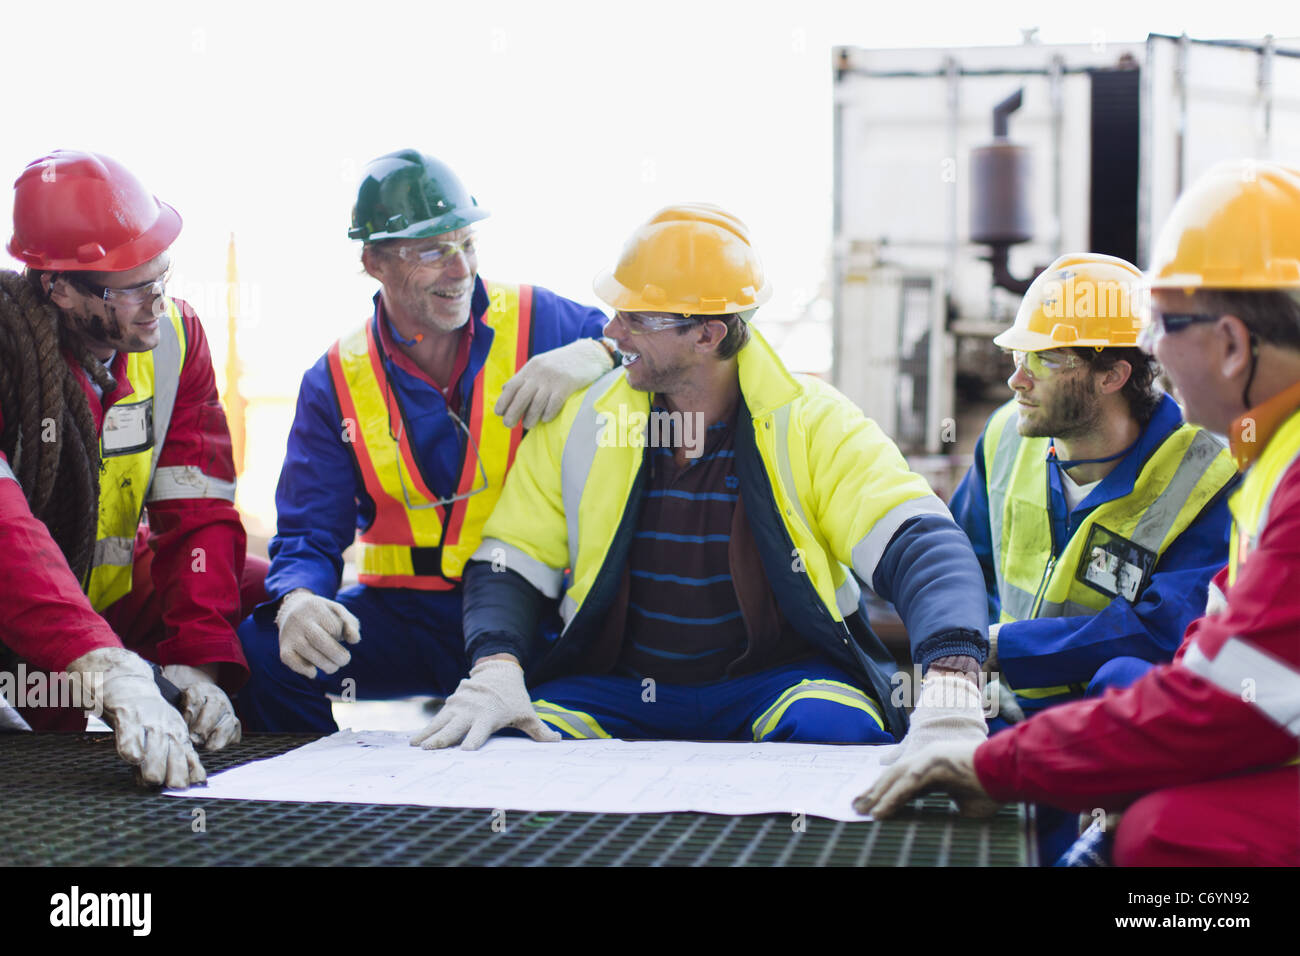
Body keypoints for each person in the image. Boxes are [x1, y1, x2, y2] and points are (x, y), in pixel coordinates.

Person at [413, 202, 991, 752]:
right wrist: (496, 669)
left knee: (841, 734)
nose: (612, 332)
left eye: (636, 317)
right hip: (618, 688)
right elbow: (510, 559)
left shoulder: (813, 421)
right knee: (512, 745)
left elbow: (922, 545)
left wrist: (950, 683)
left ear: (708, 334)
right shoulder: (583, 420)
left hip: (779, 684)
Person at [855, 160, 1300, 867]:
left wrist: (1006, 762)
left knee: (1164, 834)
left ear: (1232, 344)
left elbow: (1225, 694)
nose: (1153, 349)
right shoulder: (1269, 455)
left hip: (1114, 700)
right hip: (1037, 696)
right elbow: (1216, 654)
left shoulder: (1238, 471)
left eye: (1164, 327)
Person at [236, 149, 615, 731]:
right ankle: (306, 801)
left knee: (608, 693)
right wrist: (299, 598)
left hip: (529, 611)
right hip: (403, 616)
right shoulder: (335, 377)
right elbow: (311, 530)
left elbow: (665, 346)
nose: (460, 269)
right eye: (433, 251)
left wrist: (602, 351)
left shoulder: (545, 321)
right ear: (374, 262)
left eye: (466, 244)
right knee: (264, 652)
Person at [1, 150, 264, 788]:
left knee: (263, 591)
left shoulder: (174, 339)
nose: (156, 302)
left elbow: (196, 507)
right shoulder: (12, 355)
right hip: (23, 612)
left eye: (161, 275)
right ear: (57, 287)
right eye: (131, 288)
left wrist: (198, 664)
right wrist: (107, 669)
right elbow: (8, 533)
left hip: (102, 599)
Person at [950, 253, 1237, 726]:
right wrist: (954, 651)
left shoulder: (1206, 474)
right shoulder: (1003, 437)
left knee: (1127, 676)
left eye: (1046, 360)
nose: (1016, 380)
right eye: (1020, 357)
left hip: (1105, 722)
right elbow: (961, 565)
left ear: (1113, 375)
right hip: (1001, 708)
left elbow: (1165, 630)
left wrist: (1002, 647)